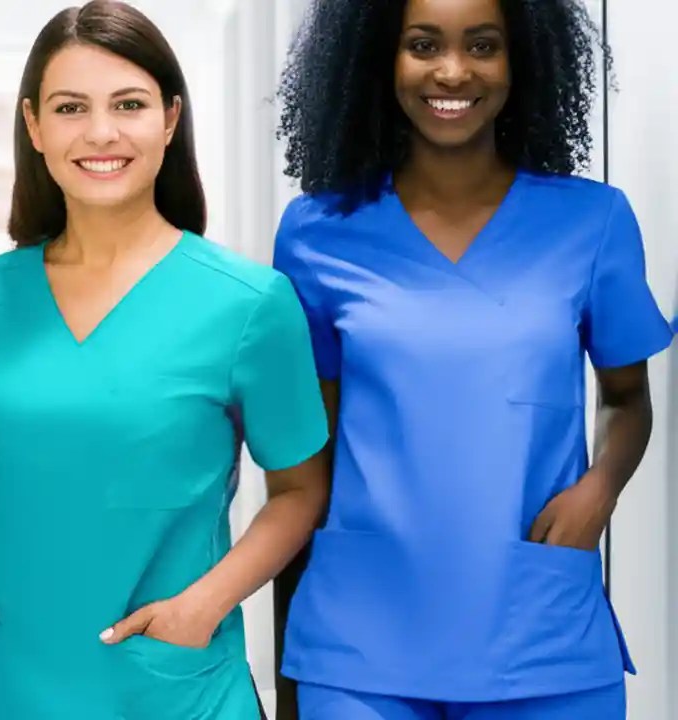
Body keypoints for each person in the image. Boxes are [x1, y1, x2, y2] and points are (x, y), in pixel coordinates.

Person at [0, 2, 332, 718]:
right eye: (71, 108)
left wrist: (202, 606)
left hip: (164, 685)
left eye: (128, 104)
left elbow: (300, 491)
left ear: (170, 119)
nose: (100, 132)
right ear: (34, 125)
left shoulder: (250, 304)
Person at [271, 0, 675, 718]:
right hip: (361, 640)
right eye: (423, 45)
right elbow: (309, 459)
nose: (453, 71)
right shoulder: (316, 232)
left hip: (539, 631)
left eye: (483, 45)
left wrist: (601, 489)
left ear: (521, 60)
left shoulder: (593, 221)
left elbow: (626, 397)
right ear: (379, 58)